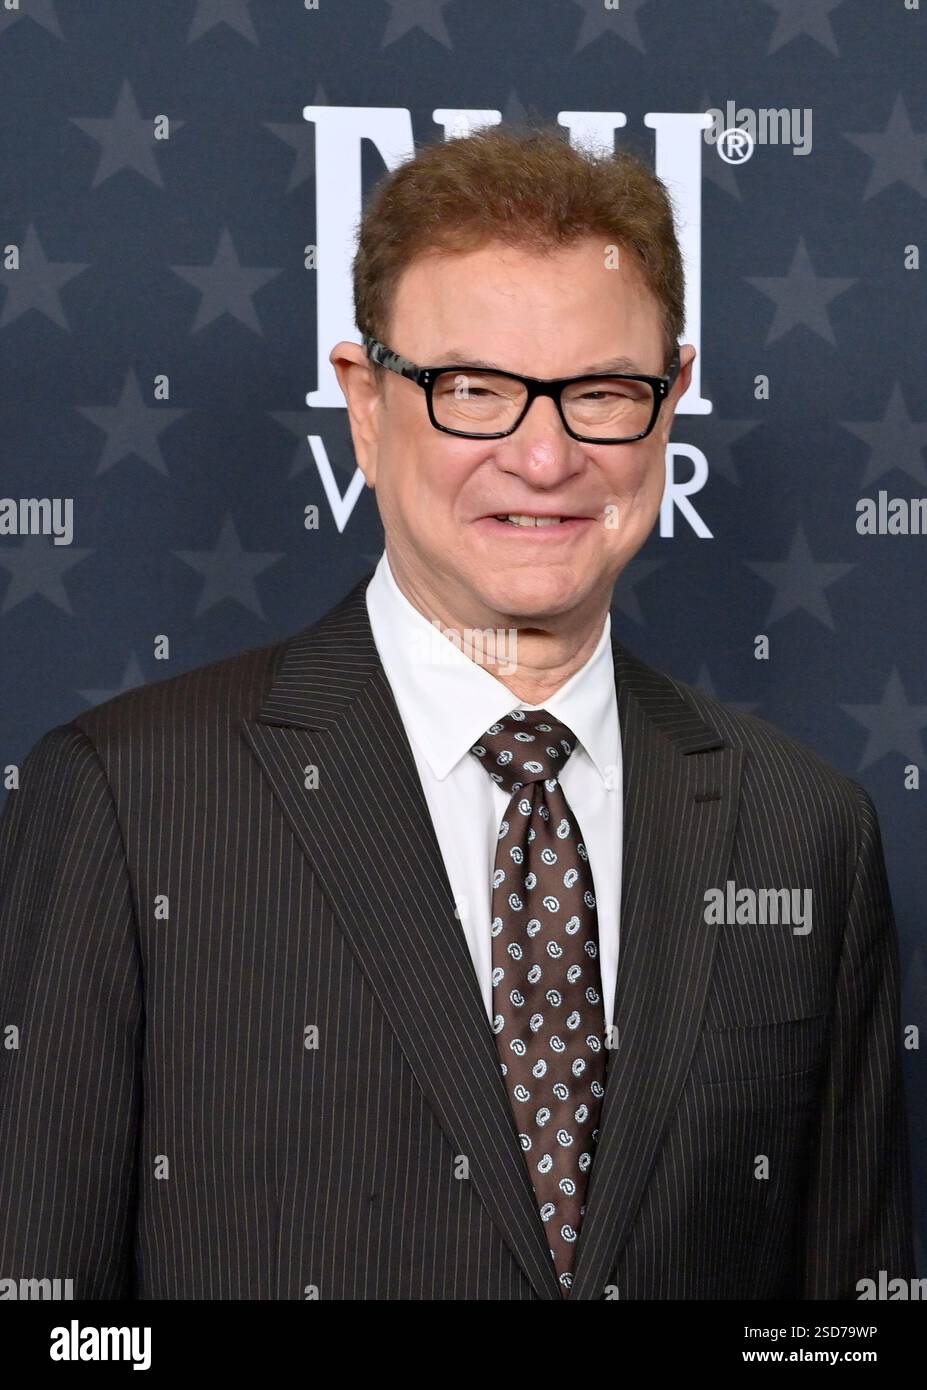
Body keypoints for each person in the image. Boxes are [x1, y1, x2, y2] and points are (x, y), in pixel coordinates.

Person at [0, 124, 914, 1300]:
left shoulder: (805, 829)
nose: (544, 457)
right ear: (368, 407)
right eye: (473, 390)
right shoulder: (128, 801)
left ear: (672, 401)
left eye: (601, 392)